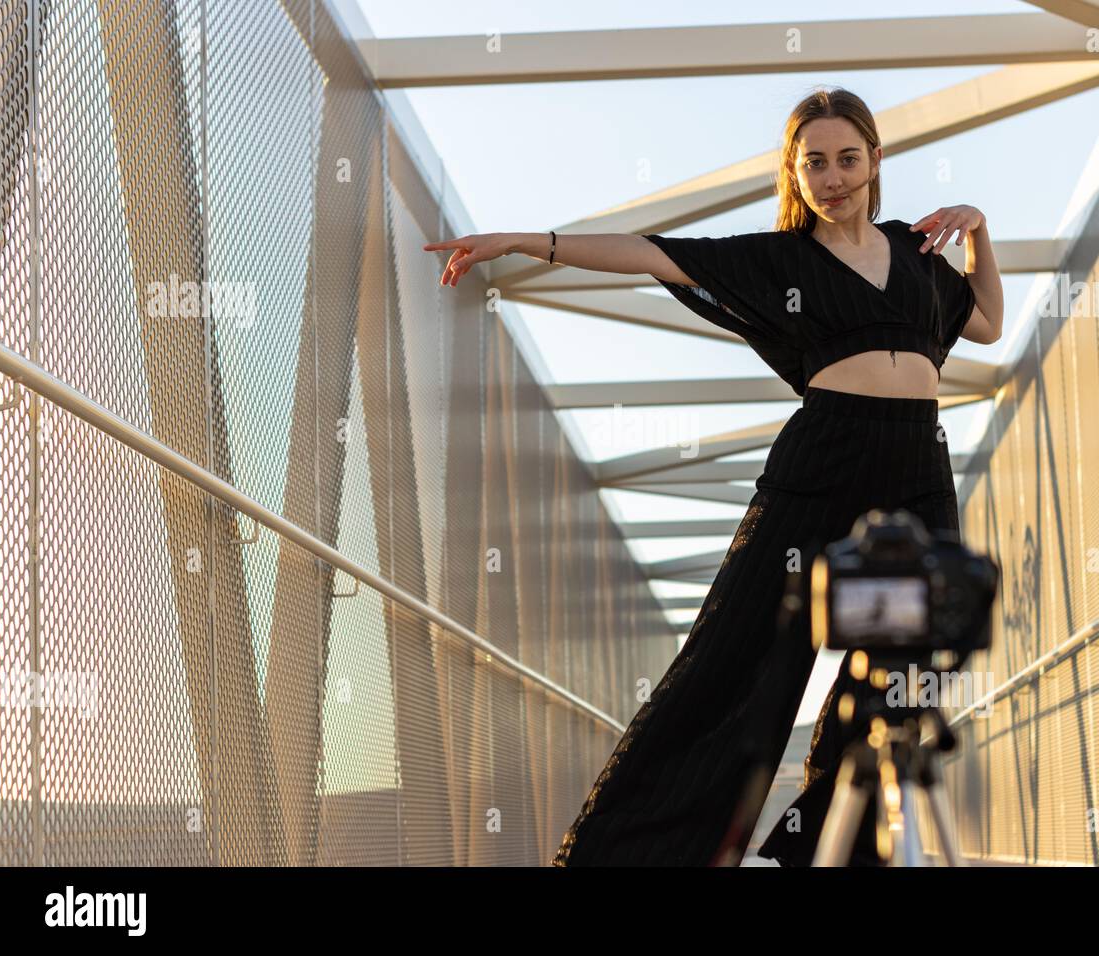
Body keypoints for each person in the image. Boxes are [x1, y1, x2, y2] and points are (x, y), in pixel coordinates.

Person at [424, 87, 1003, 866]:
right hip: (821, 463)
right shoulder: (781, 261)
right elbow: (652, 253)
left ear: (874, 164)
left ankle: (809, 850)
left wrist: (979, 230)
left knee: (913, 675)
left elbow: (988, 324)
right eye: (814, 164)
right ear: (794, 176)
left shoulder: (918, 255)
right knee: (737, 665)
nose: (832, 178)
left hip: (919, 472)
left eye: (847, 160)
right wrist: (527, 242)